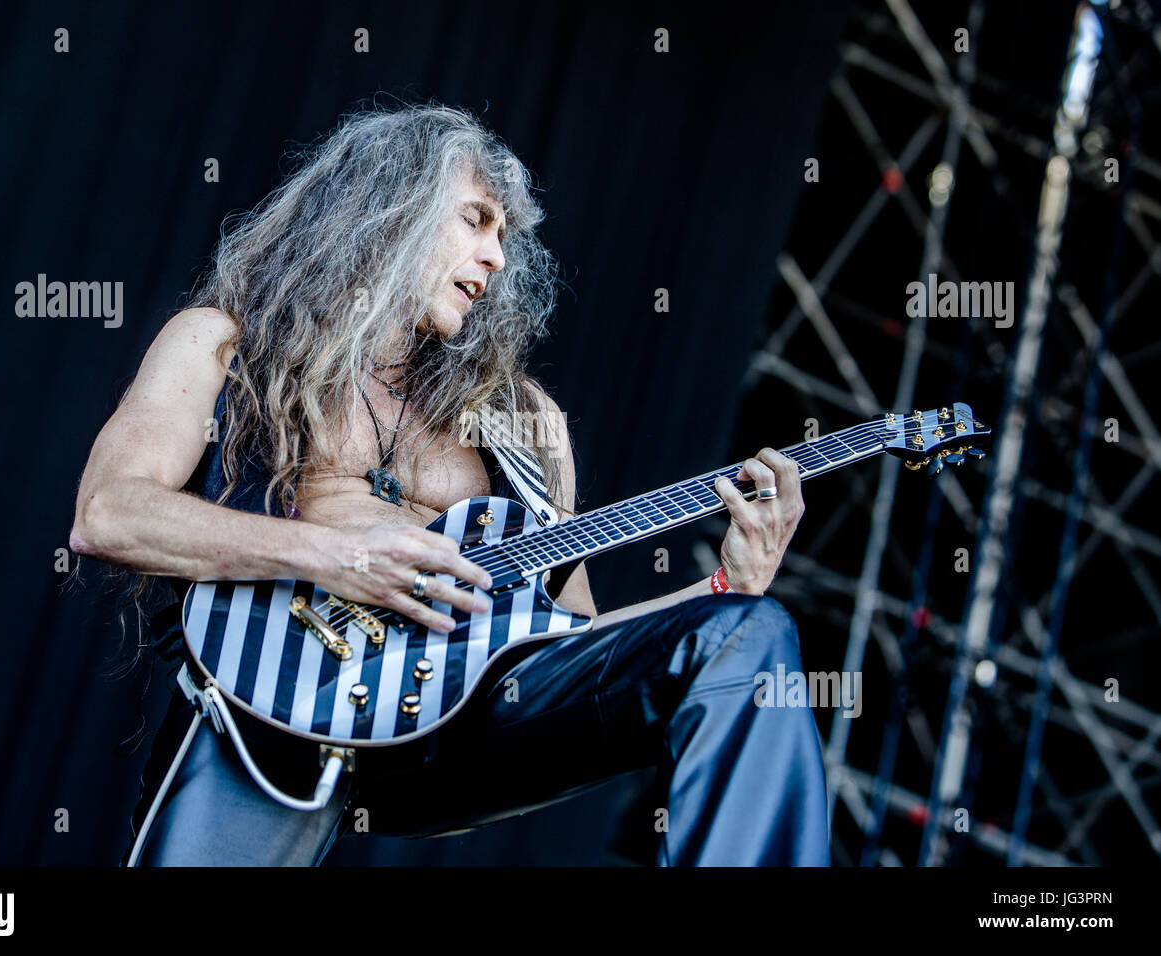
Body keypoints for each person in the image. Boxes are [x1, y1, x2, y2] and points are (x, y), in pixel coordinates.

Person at [69, 103, 828, 866]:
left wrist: (729, 586)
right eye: (475, 220)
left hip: (470, 713)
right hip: (277, 699)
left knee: (746, 636)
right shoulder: (225, 342)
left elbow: (575, 642)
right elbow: (108, 515)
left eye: (504, 234)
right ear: (389, 208)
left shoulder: (526, 419)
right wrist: (335, 556)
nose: (497, 257)